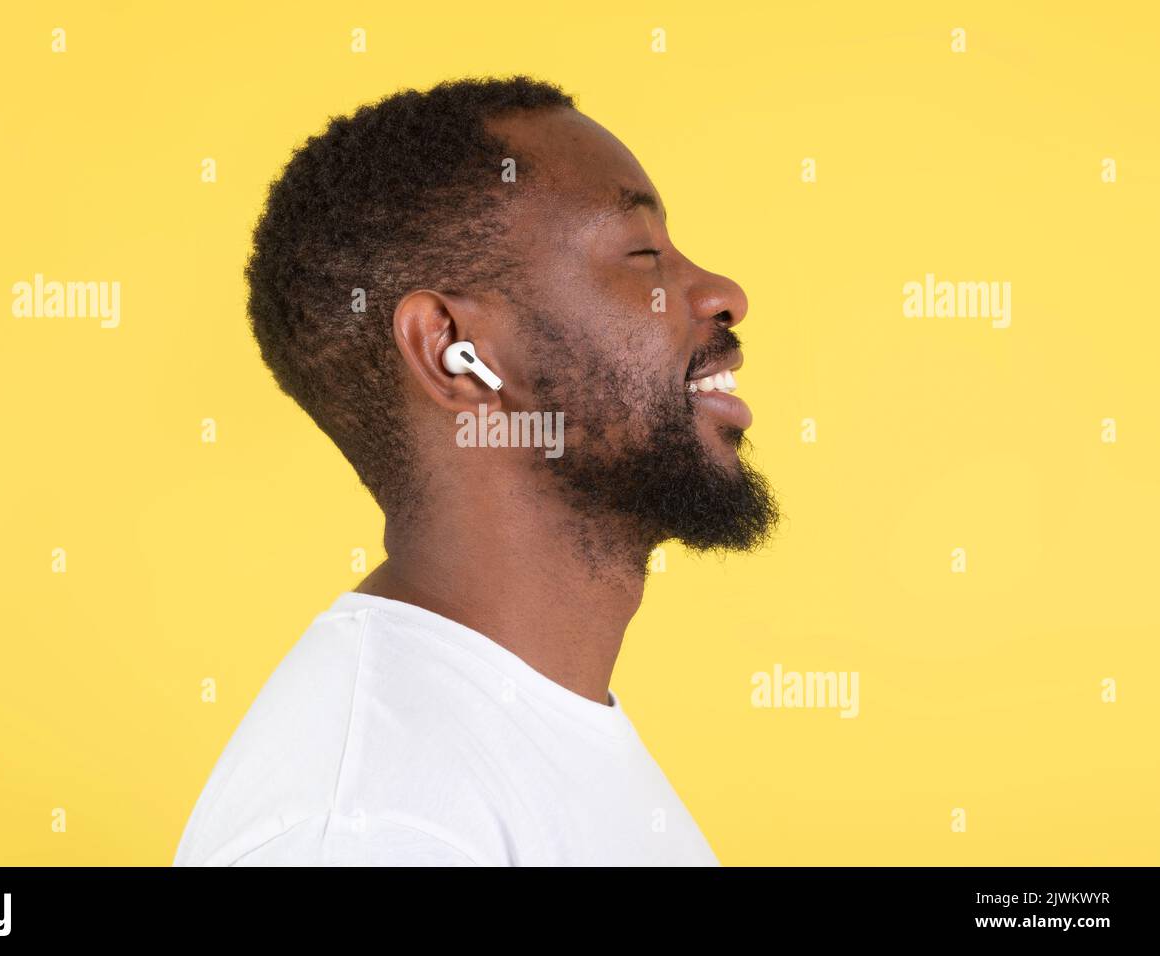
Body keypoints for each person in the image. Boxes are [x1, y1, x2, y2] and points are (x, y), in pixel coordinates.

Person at [174, 75, 782, 866]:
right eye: (642, 255)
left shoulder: (527, 726)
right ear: (455, 356)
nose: (722, 294)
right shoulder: (376, 830)